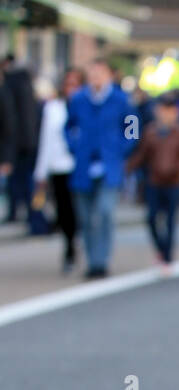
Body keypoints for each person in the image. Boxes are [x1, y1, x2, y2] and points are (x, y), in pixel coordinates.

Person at [65, 57, 135, 278]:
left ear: (108, 76)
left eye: (100, 74)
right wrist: (74, 146)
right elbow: (68, 126)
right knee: (85, 217)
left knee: (105, 212)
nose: (95, 78)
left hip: (109, 166)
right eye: (92, 74)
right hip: (84, 166)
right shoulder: (79, 100)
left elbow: (132, 125)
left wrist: (121, 148)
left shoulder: (120, 99)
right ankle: (91, 260)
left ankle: (102, 260)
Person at [124, 91, 179, 269]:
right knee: (151, 218)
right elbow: (141, 155)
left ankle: (167, 256)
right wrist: (128, 167)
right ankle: (160, 249)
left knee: (171, 220)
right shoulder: (150, 131)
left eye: (170, 109)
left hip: (174, 181)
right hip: (154, 181)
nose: (166, 113)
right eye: (163, 109)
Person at [32, 67, 83, 273]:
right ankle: (70, 247)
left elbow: (130, 121)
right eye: (68, 84)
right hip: (58, 167)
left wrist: (126, 146)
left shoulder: (92, 106)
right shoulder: (53, 108)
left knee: (86, 211)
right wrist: (40, 172)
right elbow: (46, 140)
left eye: (75, 84)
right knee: (64, 211)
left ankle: (94, 252)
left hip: (85, 168)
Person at [1, 56, 39, 225]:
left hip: (18, 146)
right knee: (27, 183)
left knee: (19, 184)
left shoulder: (11, 86)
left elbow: (10, 122)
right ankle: (32, 217)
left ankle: (22, 214)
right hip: (29, 143)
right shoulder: (25, 85)